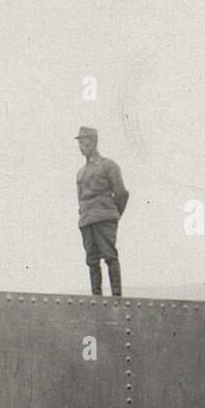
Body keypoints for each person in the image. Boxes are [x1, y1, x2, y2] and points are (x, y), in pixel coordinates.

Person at [75, 126, 129, 296]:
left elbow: (121, 193)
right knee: (91, 260)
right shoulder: (81, 173)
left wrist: (112, 214)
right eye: (80, 143)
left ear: (93, 142)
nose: (82, 146)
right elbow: (80, 198)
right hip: (86, 219)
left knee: (109, 255)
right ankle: (96, 296)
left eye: (85, 142)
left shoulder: (108, 166)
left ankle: (116, 295)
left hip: (104, 217)